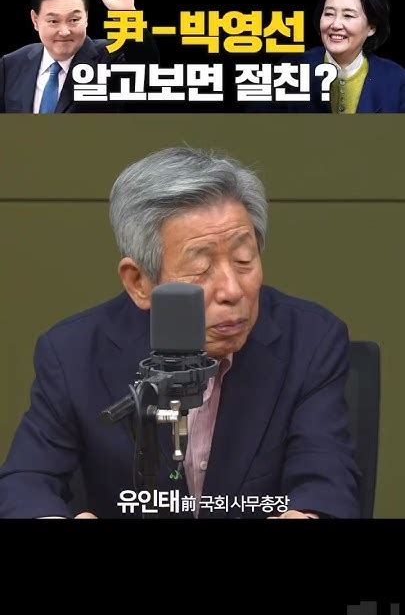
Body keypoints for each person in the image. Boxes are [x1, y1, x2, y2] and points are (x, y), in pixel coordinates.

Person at [0, 146, 360, 519]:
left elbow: (327, 481)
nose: (232, 290)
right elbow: (26, 481)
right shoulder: (73, 353)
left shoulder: (311, 341)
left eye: (244, 260)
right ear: (139, 282)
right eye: (201, 269)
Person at [0, 0, 158, 113]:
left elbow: (146, 69)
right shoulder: (11, 64)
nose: (64, 31)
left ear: (86, 17)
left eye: (74, 20)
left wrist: (127, 15)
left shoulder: (109, 58)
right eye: (53, 21)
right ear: (35, 20)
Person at [251, 0, 405, 113]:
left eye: (348, 16)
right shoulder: (290, 70)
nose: (335, 25)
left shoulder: (396, 79)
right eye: (329, 14)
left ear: (372, 27)